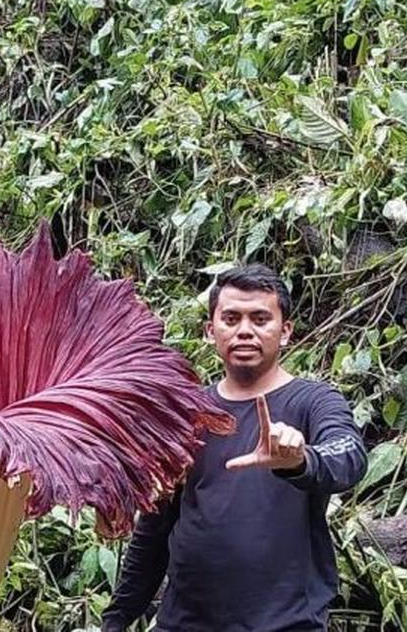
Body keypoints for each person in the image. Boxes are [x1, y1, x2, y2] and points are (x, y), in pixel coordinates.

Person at [101, 264, 367, 632]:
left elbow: (349, 456)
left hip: (286, 624)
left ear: (285, 331)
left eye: (260, 318)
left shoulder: (314, 401)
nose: (245, 331)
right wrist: (116, 619)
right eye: (231, 318)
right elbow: (155, 527)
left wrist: (300, 460)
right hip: (184, 623)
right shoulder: (185, 413)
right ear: (211, 331)